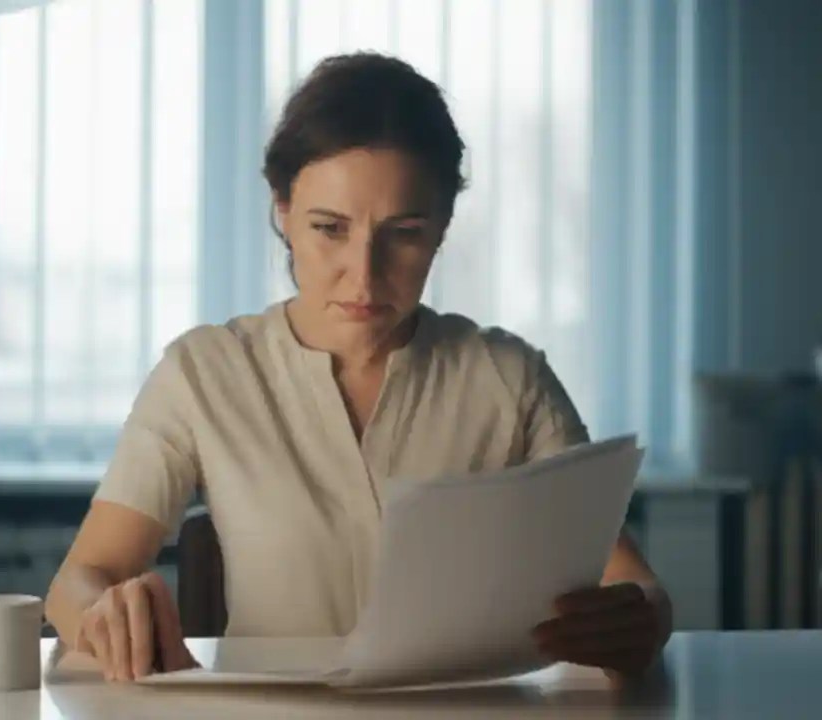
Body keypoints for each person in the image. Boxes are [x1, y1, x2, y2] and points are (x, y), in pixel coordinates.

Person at [46, 52, 672, 683]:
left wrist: (642, 619)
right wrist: (103, 614)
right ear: (283, 212)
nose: (364, 275)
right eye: (330, 228)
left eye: (403, 233)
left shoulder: (508, 379)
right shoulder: (204, 373)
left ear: (442, 228)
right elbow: (78, 579)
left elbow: (632, 581)